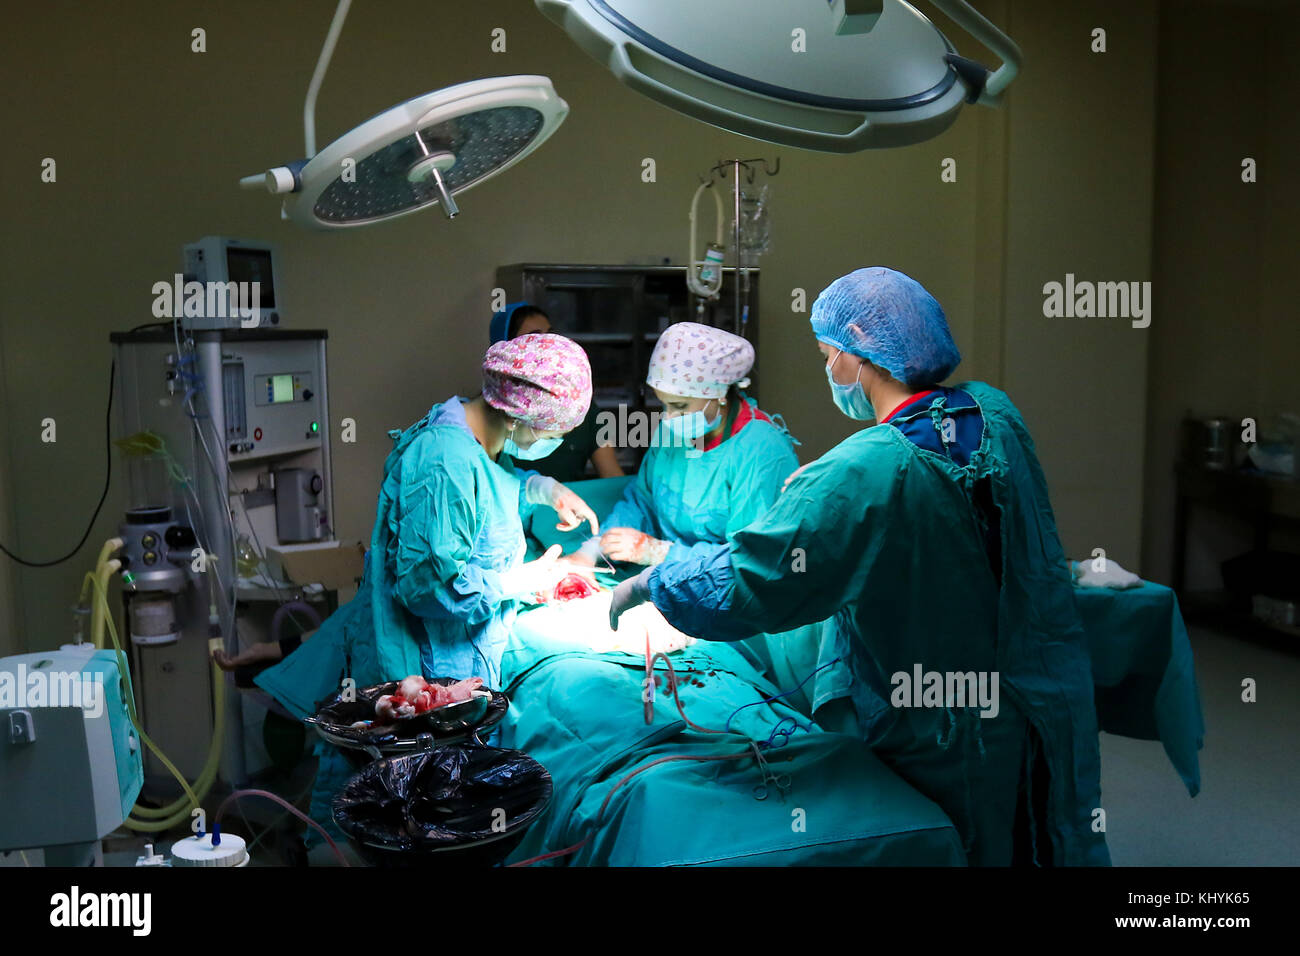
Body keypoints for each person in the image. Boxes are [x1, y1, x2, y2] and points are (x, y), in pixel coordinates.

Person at [609, 267, 1110, 867]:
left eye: (827, 355)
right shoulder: (995, 412)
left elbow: (755, 580)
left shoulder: (861, 468)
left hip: (941, 716)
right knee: (1045, 824)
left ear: (855, 351)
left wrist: (654, 579)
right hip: (1041, 686)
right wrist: (819, 497)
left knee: (957, 837)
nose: (828, 370)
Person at [255, 332, 600, 717]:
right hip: (426, 679)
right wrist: (514, 582)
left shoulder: (478, 438)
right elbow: (427, 588)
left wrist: (543, 489)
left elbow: (485, 499)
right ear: (519, 415)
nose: (555, 443)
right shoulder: (444, 462)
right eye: (553, 435)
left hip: (461, 658)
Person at [570, 321, 853, 724]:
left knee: (724, 712)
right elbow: (641, 497)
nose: (669, 418)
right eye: (664, 405)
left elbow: (753, 564)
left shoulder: (761, 452)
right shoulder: (674, 435)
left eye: (680, 407)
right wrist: (592, 549)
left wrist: (659, 553)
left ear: (718, 395)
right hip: (669, 594)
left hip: (742, 624)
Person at [492, 302, 624, 482]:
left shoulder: (578, 407)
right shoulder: (495, 415)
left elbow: (612, 477)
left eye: (550, 335)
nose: (547, 344)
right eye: (535, 338)